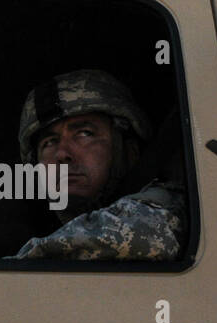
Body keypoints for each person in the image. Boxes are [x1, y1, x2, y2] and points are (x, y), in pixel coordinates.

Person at [11, 69, 186, 260]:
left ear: (129, 150)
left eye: (85, 134)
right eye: (49, 142)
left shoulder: (163, 208)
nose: (62, 153)